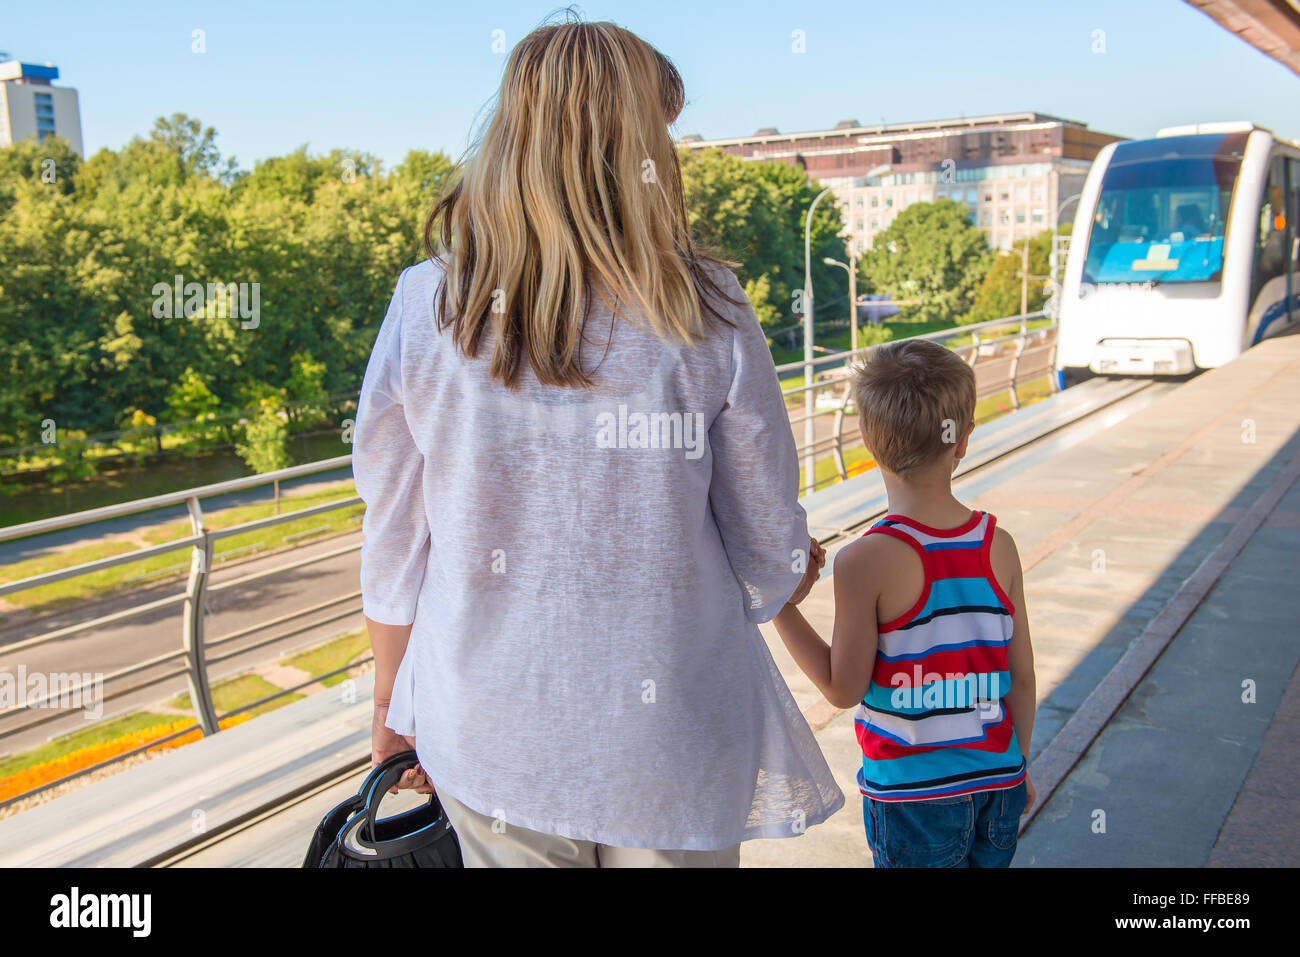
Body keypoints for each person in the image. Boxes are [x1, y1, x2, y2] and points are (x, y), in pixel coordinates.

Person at [351, 18, 843, 868]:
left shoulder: (428, 306)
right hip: (669, 730)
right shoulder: (707, 306)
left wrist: (390, 706)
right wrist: (795, 564)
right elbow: (767, 550)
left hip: (490, 724)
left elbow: (394, 537)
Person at [772, 338, 1037, 867]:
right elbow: (1022, 678)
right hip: (997, 783)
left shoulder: (865, 561)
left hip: (914, 799)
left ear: (868, 441)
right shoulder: (997, 545)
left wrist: (780, 606)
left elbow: (843, 689)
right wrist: (1018, 766)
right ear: (962, 441)